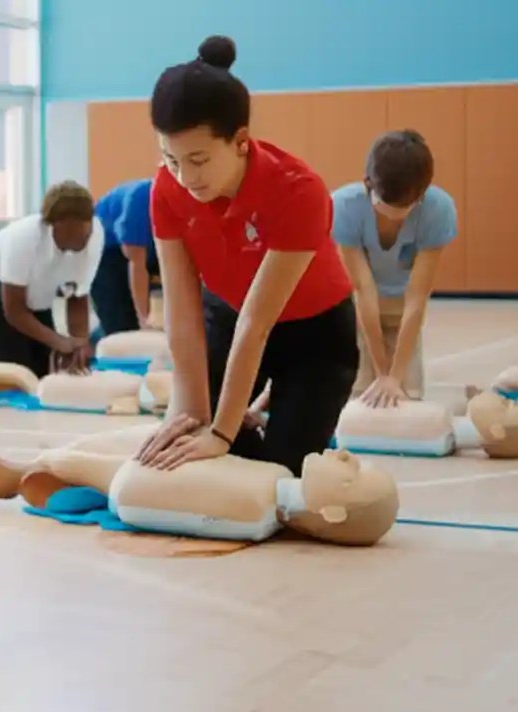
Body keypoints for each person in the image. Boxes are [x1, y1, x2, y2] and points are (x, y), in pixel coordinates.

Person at [134, 35, 357, 477]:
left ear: (239, 141)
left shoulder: (299, 191)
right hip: (229, 314)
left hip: (313, 334)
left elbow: (257, 325)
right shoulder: (167, 189)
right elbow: (181, 312)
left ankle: (294, 423)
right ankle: (244, 423)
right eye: (171, 159)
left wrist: (220, 433)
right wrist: (196, 418)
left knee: (278, 473)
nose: (184, 176)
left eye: (198, 159)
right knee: (190, 454)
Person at [332, 130, 457, 408]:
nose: (395, 215)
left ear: (422, 194)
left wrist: (395, 376)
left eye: (405, 207)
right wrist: (380, 372)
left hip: (403, 307)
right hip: (358, 308)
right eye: (384, 204)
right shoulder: (344, 206)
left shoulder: (438, 210)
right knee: (360, 392)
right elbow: (362, 290)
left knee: (406, 394)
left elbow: (417, 297)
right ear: (368, 184)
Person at [0, 180, 103, 377]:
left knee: (44, 372)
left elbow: (77, 296)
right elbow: (14, 311)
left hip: (36, 294)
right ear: (55, 225)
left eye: (85, 230)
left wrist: (79, 343)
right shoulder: (24, 238)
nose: (83, 237)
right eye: (75, 231)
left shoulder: (95, 235)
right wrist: (58, 340)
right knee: (19, 373)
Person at [88, 178, 160, 341]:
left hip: (150, 247)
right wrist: (144, 320)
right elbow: (137, 266)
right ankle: (95, 343)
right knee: (122, 326)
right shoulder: (139, 200)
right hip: (107, 250)